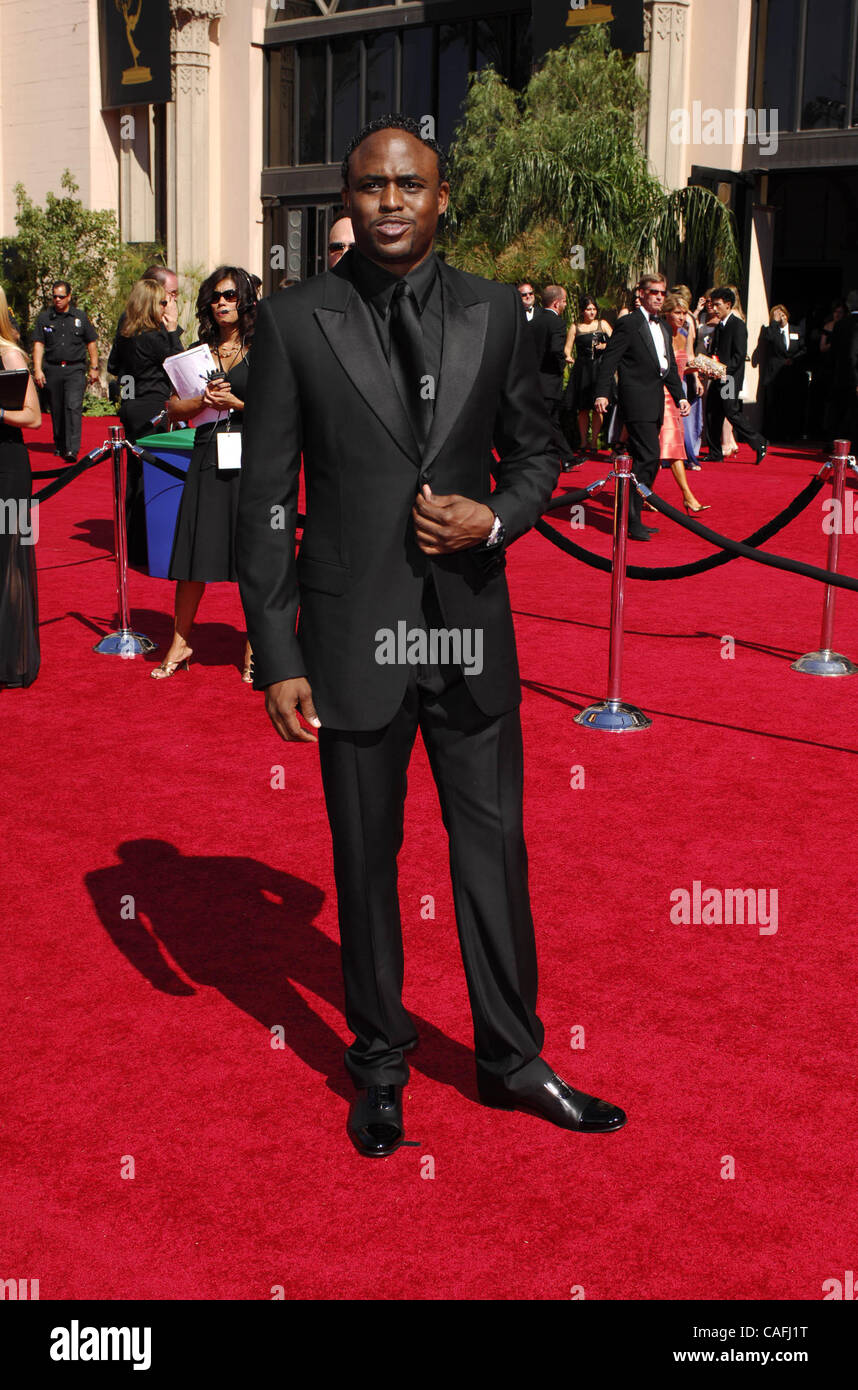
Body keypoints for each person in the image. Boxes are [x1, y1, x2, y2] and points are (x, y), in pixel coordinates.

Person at [237, 113, 626, 1157]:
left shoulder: (499, 314)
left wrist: (493, 516)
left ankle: (514, 1059)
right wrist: (278, 654)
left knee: (494, 854)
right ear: (346, 202)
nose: (393, 200)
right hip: (351, 640)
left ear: (441, 196)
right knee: (365, 862)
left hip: (467, 634)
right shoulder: (293, 321)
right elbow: (266, 500)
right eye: (372, 185)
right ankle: (379, 1067)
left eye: (411, 182)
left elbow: (538, 454)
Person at [153, 266, 258, 682]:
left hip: (253, 456)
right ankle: (180, 641)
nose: (222, 303)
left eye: (230, 295)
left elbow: (283, 410)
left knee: (253, 554)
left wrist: (236, 402)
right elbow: (172, 408)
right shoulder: (198, 351)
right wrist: (201, 401)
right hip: (207, 453)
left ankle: (256, 646)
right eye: (215, 297)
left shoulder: (264, 349)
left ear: (245, 299)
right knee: (195, 550)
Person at [593, 272, 690, 541]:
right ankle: (629, 517)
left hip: (656, 402)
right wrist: (602, 393)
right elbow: (609, 360)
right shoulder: (628, 323)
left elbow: (667, 366)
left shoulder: (662, 327)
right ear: (642, 294)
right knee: (650, 456)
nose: (659, 297)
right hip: (635, 400)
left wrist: (680, 395)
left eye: (662, 292)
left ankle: (630, 517)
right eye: (654, 292)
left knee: (643, 460)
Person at [107, 279, 184, 567]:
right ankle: (146, 545)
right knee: (151, 473)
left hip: (130, 406)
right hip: (152, 407)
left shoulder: (126, 333)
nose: (168, 306)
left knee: (135, 474)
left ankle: (130, 542)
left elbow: (112, 366)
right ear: (153, 304)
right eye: (163, 302)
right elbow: (181, 364)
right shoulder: (154, 337)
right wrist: (173, 328)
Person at [0, 286, 42, 689]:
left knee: (9, 559)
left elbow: (33, 418)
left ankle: (11, 660)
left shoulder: (8, 354)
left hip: (7, 469)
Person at [31, 281, 99, 462]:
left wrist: (94, 367)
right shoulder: (45, 318)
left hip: (75, 369)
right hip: (52, 369)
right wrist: (37, 369)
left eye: (61, 296)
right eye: (54, 296)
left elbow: (91, 342)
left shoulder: (80, 317)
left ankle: (72, 449)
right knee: (57, 408)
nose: (58, 300)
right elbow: (38, 344)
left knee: (73, 406)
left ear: (69, 297)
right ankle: (60, 444)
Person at [705, 287, 767, 464]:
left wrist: (723, 370)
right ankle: (715, 452)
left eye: (718, 305)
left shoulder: (737, 326)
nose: (715, 309)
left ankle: (759, 442)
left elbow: (739, 356)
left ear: (728, 305)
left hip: (729, 379)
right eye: (713, 305)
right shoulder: (720, 326)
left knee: (730, 411)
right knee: (712, 412)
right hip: (718, 377)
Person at [659, 294, 708, 513]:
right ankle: (687, 495)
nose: (682, 317)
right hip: (660, 394)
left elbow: (686, 362)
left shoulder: (685, 334)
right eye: (678, 313)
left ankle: (643, 493)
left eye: (684, 313)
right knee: (670, 447)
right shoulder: (659, 334)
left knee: (668, 447)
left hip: (678, 394)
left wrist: (702, 371)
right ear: (667, 313)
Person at [562, 294, 612, 455]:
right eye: (588, 309)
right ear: (582, 311)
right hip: (582, 370)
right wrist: (568, 357)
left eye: (594, 309)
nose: (592, 312)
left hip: (599, 368)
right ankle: (583, 441)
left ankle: (594, 441)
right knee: (583, 408)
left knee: (598, 408)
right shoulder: (575, 327)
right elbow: (567, 348)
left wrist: (605, 345)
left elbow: (616, 341)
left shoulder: (602, 324)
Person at [758, 305, 805, 441]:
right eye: (777, 314)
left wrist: (793, 359)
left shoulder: (796, 330)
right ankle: (773, 434)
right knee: (773, 404)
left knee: (790, 404)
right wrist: (774, 322)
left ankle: (790, 434)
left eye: (782, 313)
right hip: (774, 373)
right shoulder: (771, 330)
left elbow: (803, 349)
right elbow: (769, 339)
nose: (781, 316)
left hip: (791, 373)